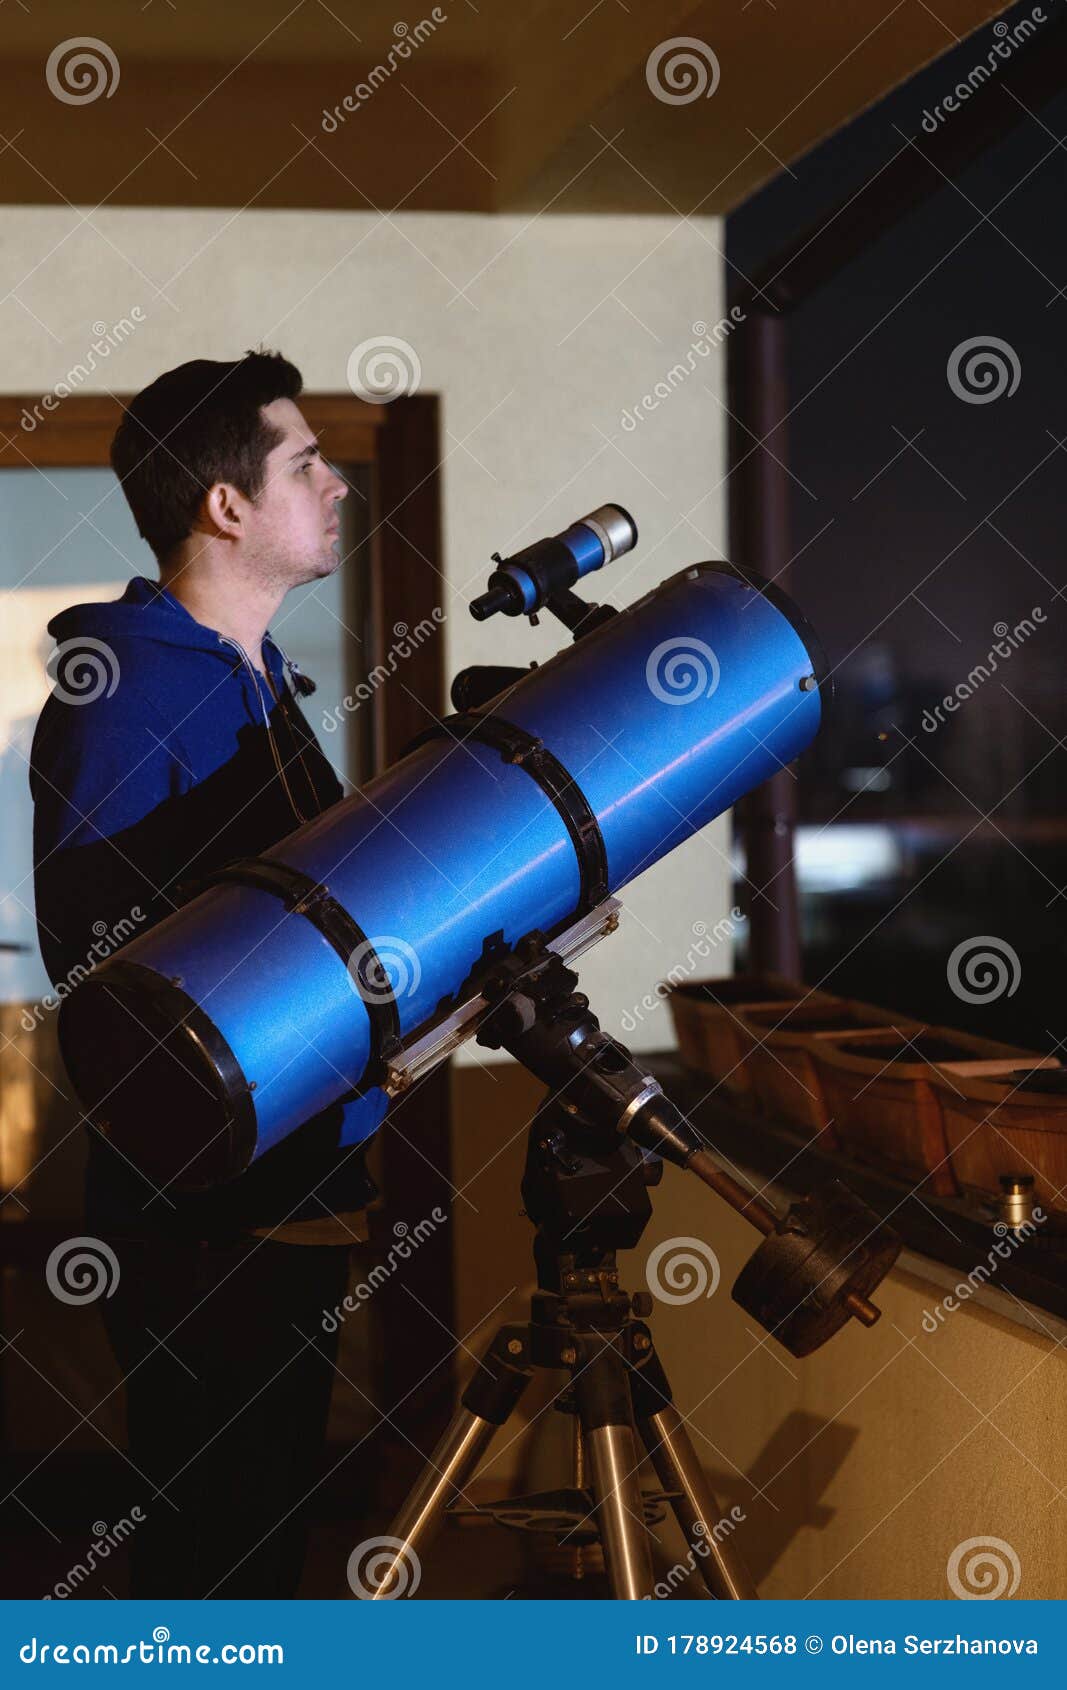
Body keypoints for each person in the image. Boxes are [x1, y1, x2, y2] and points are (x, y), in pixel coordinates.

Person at [29, 350, 389, 1597]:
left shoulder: (262, 688)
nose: (336, 484)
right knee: (215, 1562)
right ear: (224, 506)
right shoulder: (122, 689)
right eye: (303, 462)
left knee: (263, 1544)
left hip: (297, 1187)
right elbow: (103, 968)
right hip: (202, 1215)